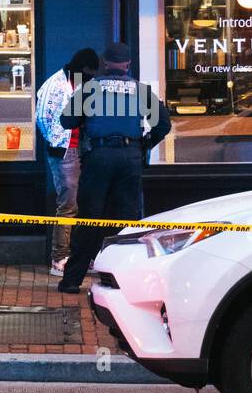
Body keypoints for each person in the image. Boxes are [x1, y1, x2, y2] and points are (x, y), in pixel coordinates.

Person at [56, 41, 171, 295]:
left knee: (89, 219)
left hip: (99, 157)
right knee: (126, 221)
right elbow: (163, 124)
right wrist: (143, 145)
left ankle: (72, 281)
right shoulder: (140, 91)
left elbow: (67, 120)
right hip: (130, 158)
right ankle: (123, 281)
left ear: (105, 63)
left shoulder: (91, 88)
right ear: (128, 64)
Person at [35, 47, 100, 276]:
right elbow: (42, 117)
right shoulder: (56, 85)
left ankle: (77, 256)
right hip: (64, 151)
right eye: (90, 72)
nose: (93, 76)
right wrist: (56, 141)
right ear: (83, 68)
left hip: (81, 150)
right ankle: (60, 258)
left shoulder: (80, 83)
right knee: (68, 206)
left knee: (81, 205)